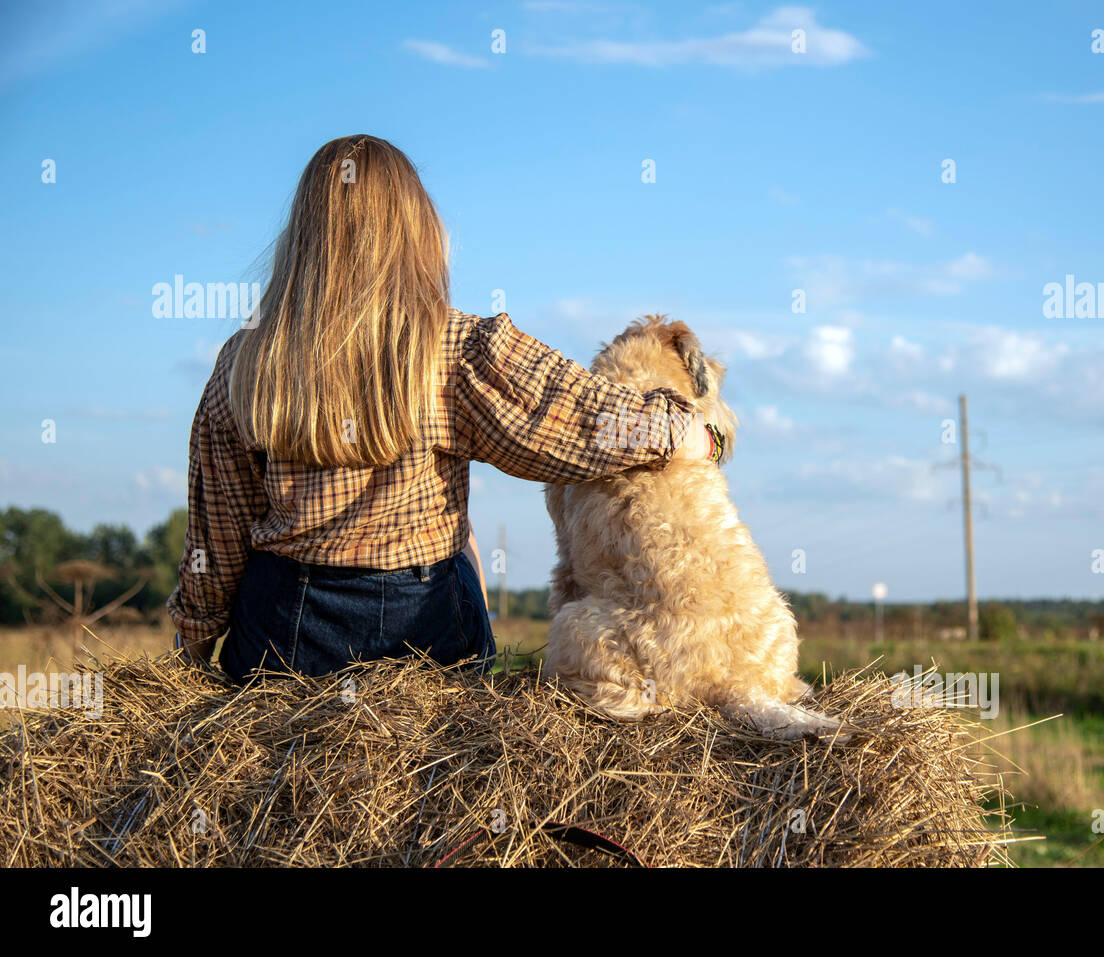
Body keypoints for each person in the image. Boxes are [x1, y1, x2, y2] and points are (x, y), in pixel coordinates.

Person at [166, 135, 722, 682]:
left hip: (283, 635)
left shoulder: (246, 360)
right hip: (424, 633)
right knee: (462, 544)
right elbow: (578, 417)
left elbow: (217, 532)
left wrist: (191, 641)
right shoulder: (456, 348)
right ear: (418, 232)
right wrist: (692, 432)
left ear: (302, 236)